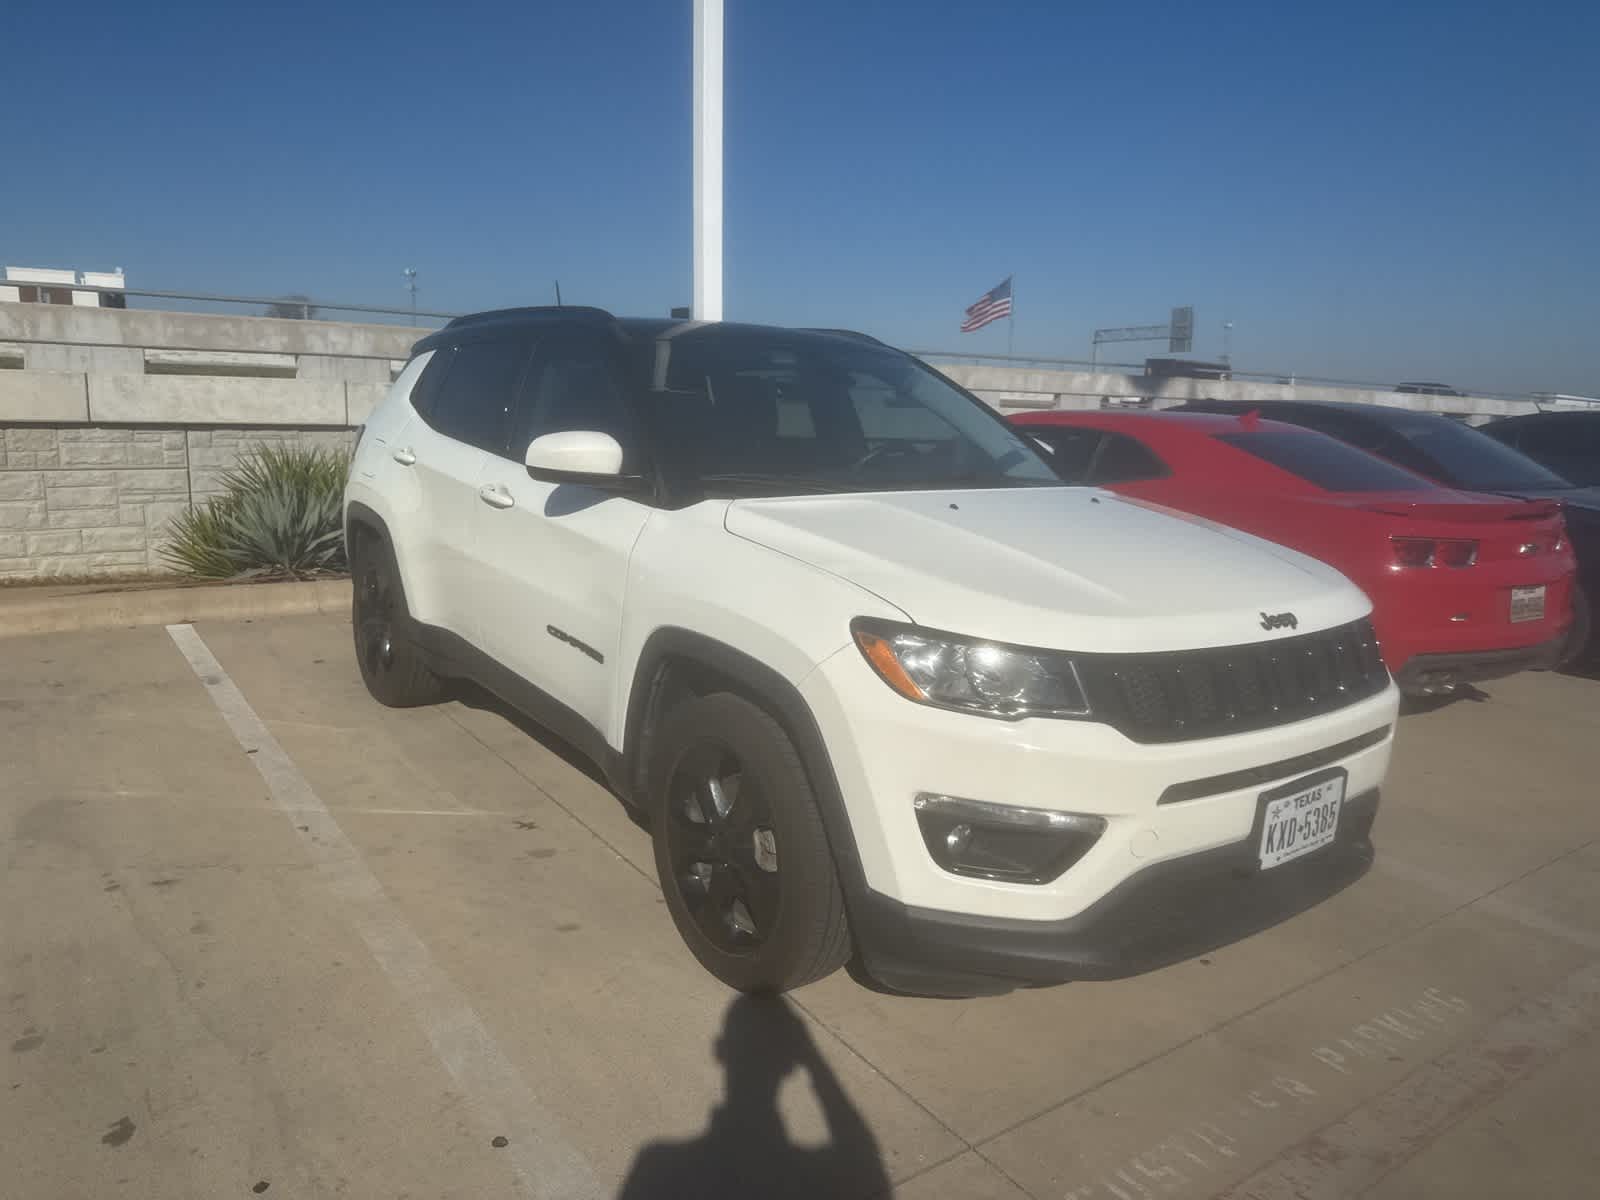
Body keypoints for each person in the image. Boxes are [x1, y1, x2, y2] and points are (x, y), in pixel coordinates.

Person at [618, 993, 889, 1199]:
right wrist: (813, 1061)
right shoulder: (822, 1174)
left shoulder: (656, 1163)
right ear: (790, 1066)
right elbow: (860, 1146)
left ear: (721, 1053)